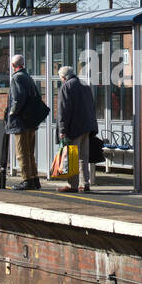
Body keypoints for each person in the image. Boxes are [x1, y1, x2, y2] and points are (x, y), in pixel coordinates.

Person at [56, 65, 98, 193]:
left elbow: (63, 111)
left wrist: (62, 130)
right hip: (87, 126)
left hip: (74, 128)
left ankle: (73, 185)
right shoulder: (84, 84)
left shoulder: (66, 86)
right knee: (84, 157)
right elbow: (91, 105)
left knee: (72, 157)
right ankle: (85, 183)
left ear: (63, 77)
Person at [5, 54, 44, 190]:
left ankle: (26, 180)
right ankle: (34, 179)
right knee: (30, 152)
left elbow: (17, 98)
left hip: (21, 121)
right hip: (31, 121)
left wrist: (12, 112)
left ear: (13, 65)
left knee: (21, 152)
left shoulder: (17, 78)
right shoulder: (28, 77)